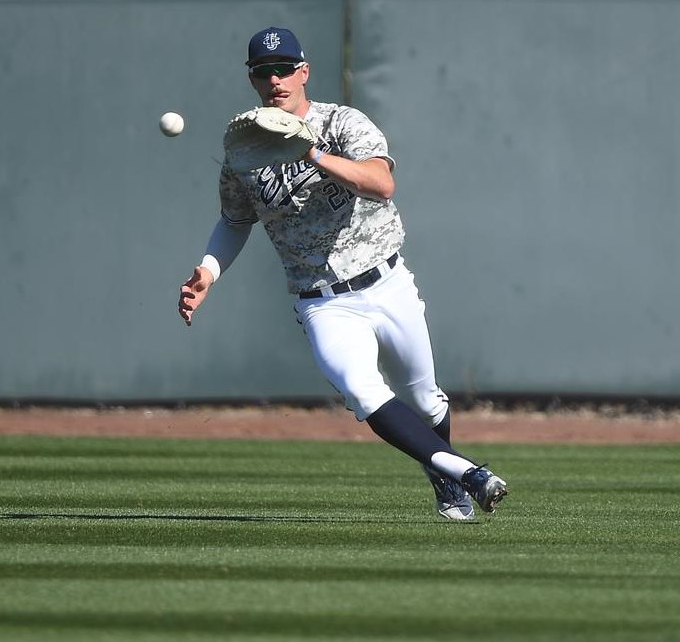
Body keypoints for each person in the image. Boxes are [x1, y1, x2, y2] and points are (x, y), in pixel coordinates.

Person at [177, 27, 508, 519]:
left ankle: (446, 471)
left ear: (304, 72)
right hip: (322, 301)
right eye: (264, 71)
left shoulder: (340, 123)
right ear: (253, 80)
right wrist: (207, 271)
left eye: (285, 68)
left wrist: (308, 153)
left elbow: (381, 184)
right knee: (361, 390)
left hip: (387, 282)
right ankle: (466, 475)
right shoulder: (245, 147)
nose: (276, 79)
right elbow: (234, 221)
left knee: (425, 400)